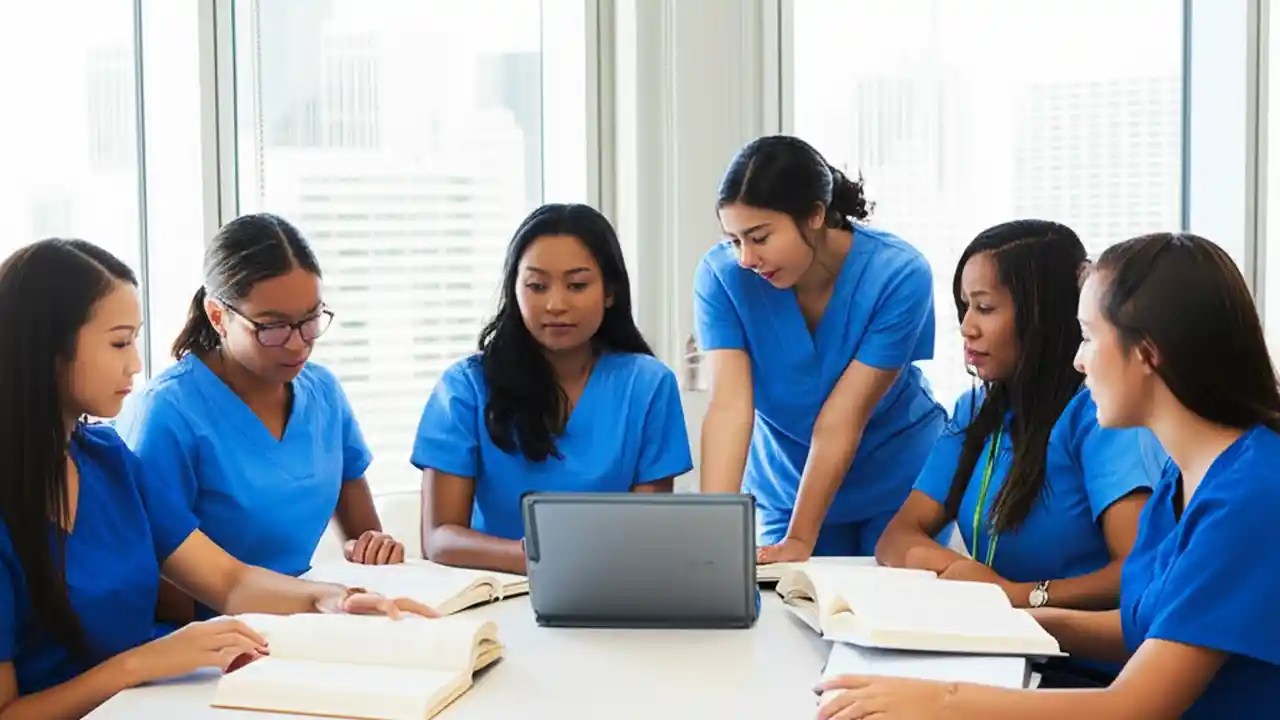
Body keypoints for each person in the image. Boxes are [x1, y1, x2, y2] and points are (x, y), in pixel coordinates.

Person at [818, 233, 1280, 719]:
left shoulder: (1250, 496)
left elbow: (1132, 708)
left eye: (1088, 337)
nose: (1079, 360)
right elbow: (1145, 629)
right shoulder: (1185, 476)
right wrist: (997, 617)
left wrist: (940, 700)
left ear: (1147, 352)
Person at [0, 238, 431, 718]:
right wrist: (137, 665)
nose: (136, 363)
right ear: (46, 349)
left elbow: (228, 581)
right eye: (120, 342)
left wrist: (335, 598)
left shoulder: (107, 459)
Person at [116, 214, 402, 625]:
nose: (298, 344)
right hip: (217, 636)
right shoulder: (166, 413)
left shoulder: (323, 392)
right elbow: (165, 586)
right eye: (272, 327)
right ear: (218, 315)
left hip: (311, 616)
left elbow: (365, 541)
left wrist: (376, 550)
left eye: (310, 320)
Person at [876, 221, 1156, 614]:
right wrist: (956, 570)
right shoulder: (974, 410)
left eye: (985, 308)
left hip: (1074, 647)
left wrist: (1018, 596)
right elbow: (897, 537)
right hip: (997, 635)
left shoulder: (1099, 417)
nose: (967, 328)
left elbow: (1138, 571)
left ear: (1042, 314)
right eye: (965, 306)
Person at [695, 135, 944, 561]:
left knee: (889, 597)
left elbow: (843, 418)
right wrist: (712, 539)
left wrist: (800, 539)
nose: (746, 258)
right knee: (781, 594)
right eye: (734, 240)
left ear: (814, 215)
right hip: (787, 486)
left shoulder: (898, 273)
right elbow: (729, 408)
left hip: (898, 484)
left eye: (759, 237)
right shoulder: (722, 278)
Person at [414, 204, 692, 574]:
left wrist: (568, 565)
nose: (555, 305)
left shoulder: (649, 385)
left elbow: (647, 534)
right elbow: (439, 538)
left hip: (609, 587)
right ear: (514, 289)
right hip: (494, 589)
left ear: (610, 291)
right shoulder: (465, 386)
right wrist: (537, 558)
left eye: (577, 285)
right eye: (537, 286)